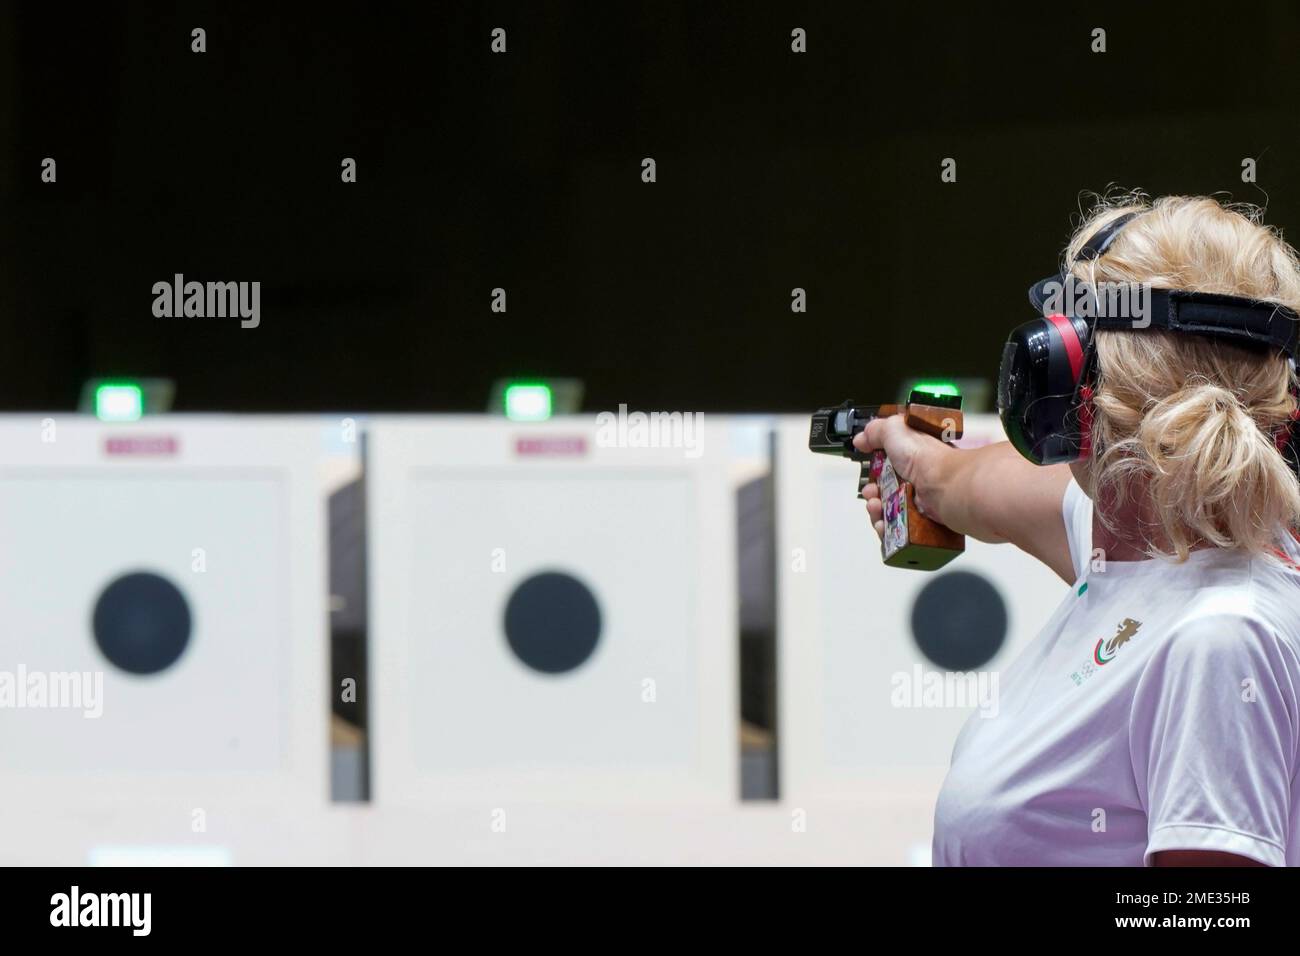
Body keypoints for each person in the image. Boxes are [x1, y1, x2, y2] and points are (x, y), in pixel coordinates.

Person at [856, 194, 1300, 866]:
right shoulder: (1130, 549)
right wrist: (911, 460)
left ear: (1072, 377)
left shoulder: (1220, 637)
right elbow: (960, 485)